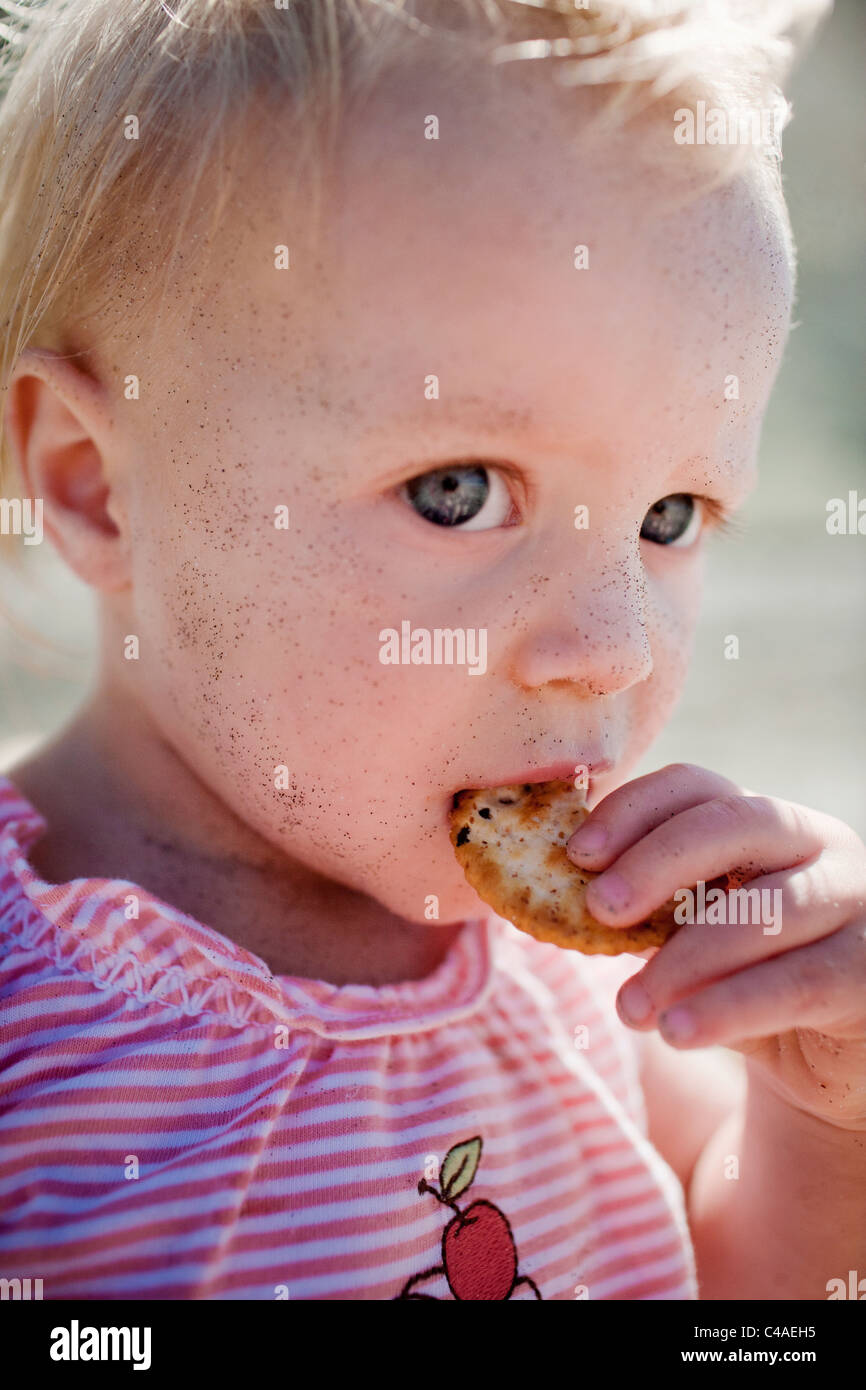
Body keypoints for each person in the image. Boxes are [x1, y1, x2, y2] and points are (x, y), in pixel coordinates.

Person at [0, 0, 861, 1301]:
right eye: (458, 491)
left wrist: (824, 1121)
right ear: (95, 485)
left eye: (668, 517)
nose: (612, 650)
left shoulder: (600, 976)